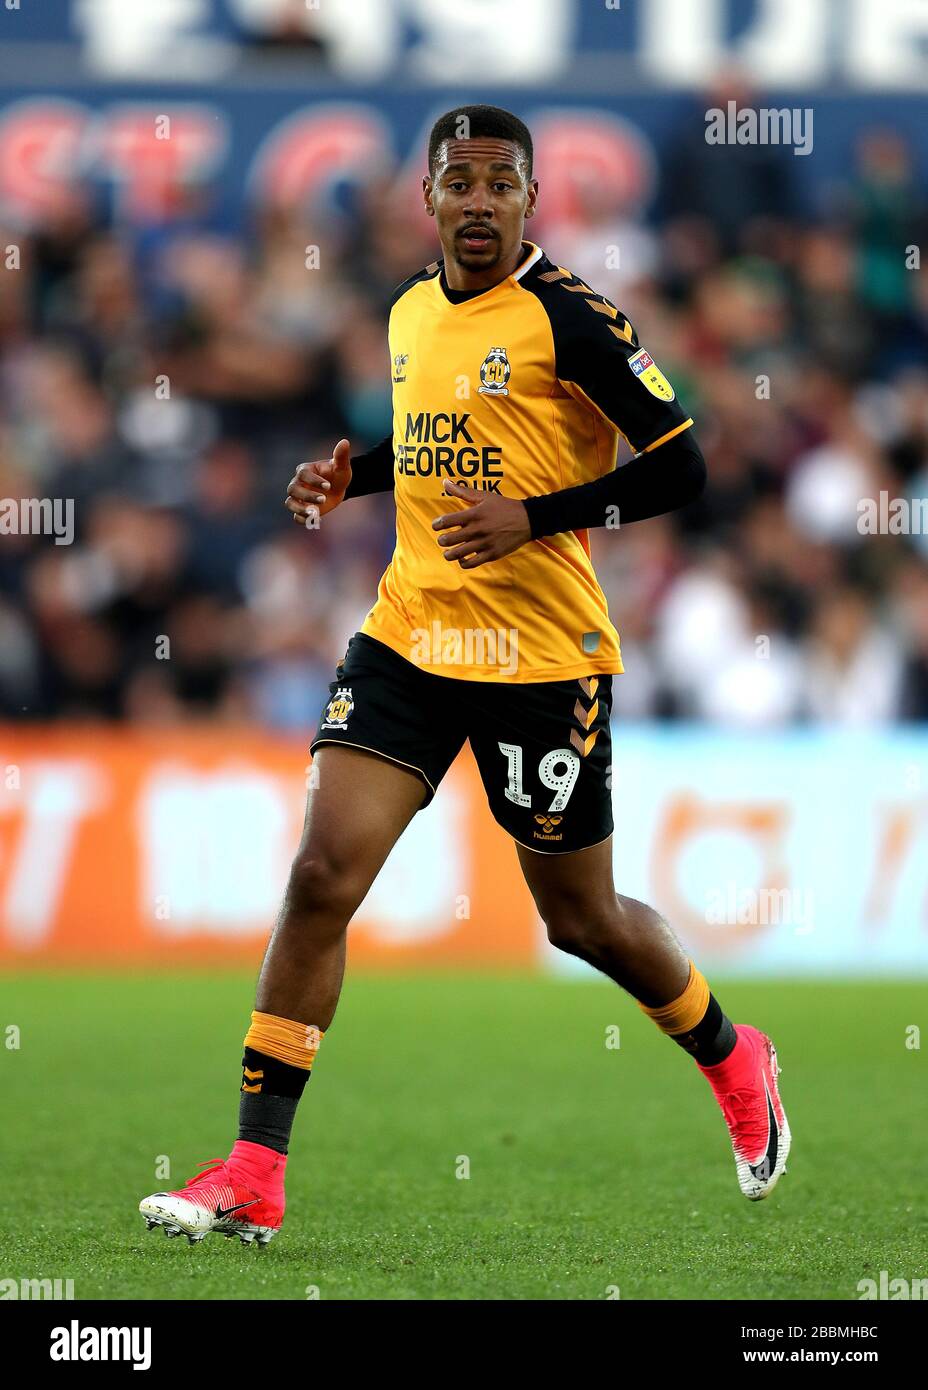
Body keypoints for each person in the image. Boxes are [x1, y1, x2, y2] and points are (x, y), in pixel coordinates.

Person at [139, 105, 790, 1246]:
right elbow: (447, 445)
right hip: (409, 636)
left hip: (540, 659)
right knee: (321, 875)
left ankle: (734, 1056)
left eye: (501, 182)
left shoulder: (572, 319)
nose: (479, 201)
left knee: (580, 919)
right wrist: (357, 478)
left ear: (530, 199)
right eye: (459, 181)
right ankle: (254, 1168)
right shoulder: (404, 308)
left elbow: (685, 466)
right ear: (427, 197)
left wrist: (538, 517)